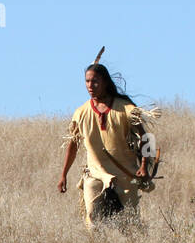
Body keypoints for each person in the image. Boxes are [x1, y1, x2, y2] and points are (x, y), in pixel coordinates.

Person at [59, 51, 158, 229]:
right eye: (87, 81)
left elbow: (147, 138)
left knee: (130, 227)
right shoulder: (80, 113)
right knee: (93, 224)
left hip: (126, 176)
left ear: (105, 82)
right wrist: (63, 175)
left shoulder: (125, 109)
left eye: (95, 81)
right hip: (95, 175)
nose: (90, 85)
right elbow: (73, 145)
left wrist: (143, 165)